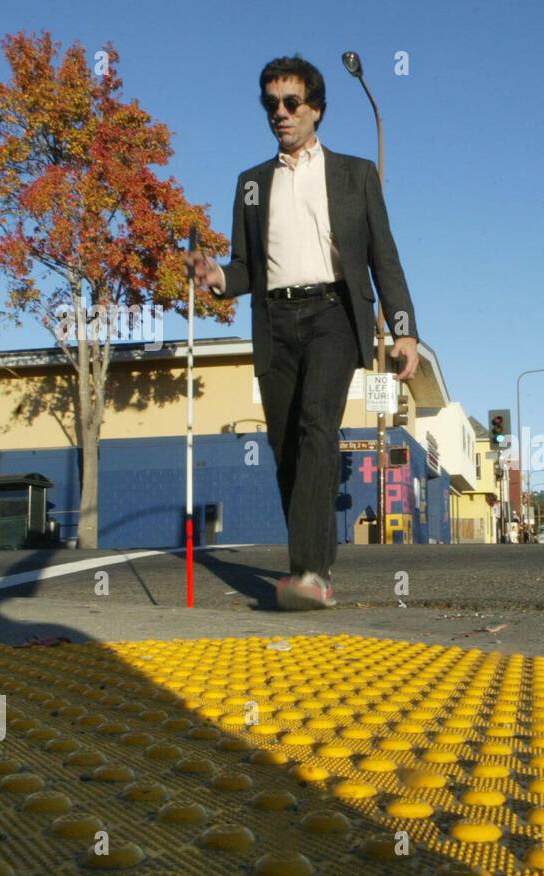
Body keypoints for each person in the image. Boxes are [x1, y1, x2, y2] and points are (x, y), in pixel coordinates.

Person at [185, 54, 420, 610]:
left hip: (335, 314)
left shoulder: (355, 174)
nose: (280, 113)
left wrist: (404, 329)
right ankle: (314, 567)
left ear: (316, 109)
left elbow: (383, 257)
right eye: (271, 104)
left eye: (291, 103)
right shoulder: (250, 184)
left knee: (318, 427)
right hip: (275, 322)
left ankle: (308, 572)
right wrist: (216, 275)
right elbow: (245, 268)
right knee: (285, 445)